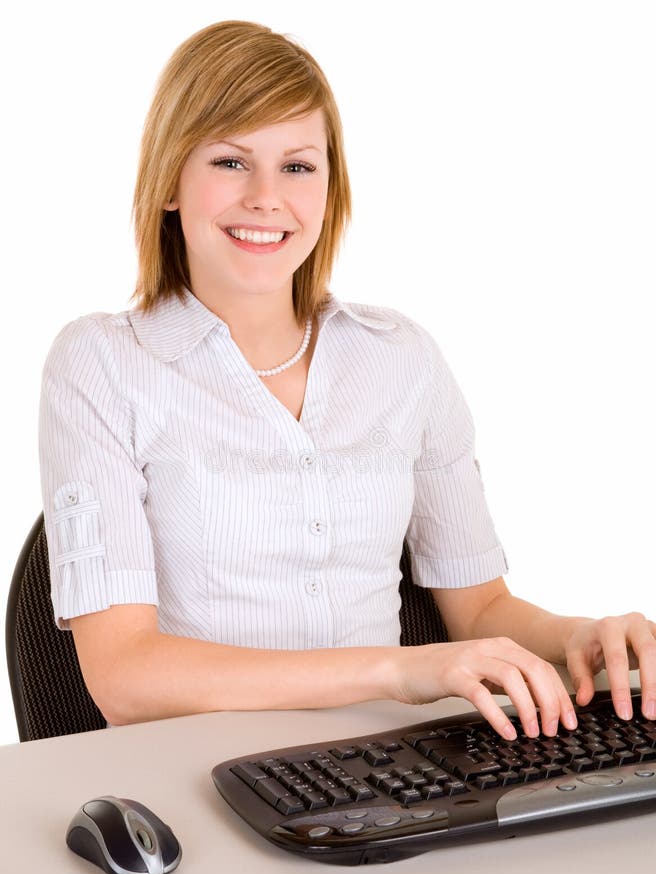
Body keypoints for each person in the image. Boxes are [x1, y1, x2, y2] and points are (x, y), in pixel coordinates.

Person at [39, 20, 655, 739]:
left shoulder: (402, 360)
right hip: (197, 770)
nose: (268, 197)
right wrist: (399, 671)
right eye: (231, 162)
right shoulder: (103, 364)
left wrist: (580, 636)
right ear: (169, 183)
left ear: (329, 191)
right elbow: (126, 679)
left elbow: (480, 608)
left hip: (391, 764)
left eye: (298, 167)